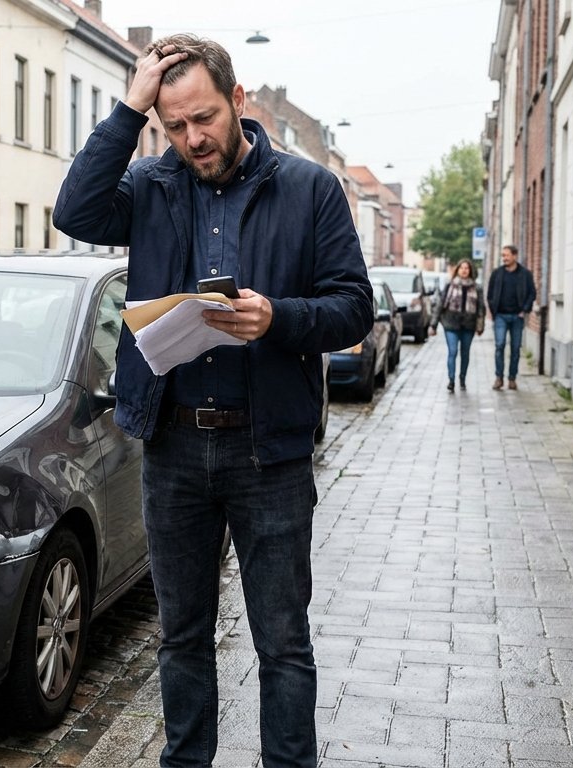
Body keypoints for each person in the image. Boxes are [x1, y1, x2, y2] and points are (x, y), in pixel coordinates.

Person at [53, 34, 373, 768]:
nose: (193, 139)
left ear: (236, 101)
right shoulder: (149, 190)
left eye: (204, 119)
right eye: (175, 126)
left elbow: (354, 308)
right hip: (173, 447)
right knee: (182, 636)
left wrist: (277, 319)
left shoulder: (309, 189)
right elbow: (74, 211)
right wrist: (130, 107)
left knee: (283, 644)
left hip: (270, 451)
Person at [431, 259, 486, 392]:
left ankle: (462, 378)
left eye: (467, 268)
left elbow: (480, 308)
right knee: (453, 351)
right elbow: (440, 304)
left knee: (465, 353)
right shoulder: (450, 285)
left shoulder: (477, 287)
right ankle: (451, 380)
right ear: (457, 270)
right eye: (461, 268)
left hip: (469, 324)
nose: (464, 270)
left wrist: (480, 325)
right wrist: (433, 324)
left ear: (471, 271)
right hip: (450, 323)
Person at [486, 244, 536, 390]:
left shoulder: (525, 274)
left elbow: (532, 293)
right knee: (499, 345)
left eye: (507, 255)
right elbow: (490, 295)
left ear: (515, 256)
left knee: (515, 348)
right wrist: (493, 311)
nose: (504, 258)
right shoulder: (497, 274)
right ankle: (499, 377)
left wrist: (524, 310)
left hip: (517, 316)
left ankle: (512, 378)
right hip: (500, 316)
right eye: (503, 255)